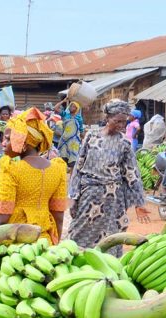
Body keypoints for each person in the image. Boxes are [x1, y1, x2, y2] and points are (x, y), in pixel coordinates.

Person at [67, 100, 150, 256]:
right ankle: (77, 263)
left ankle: (107, 267)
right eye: (117, 121)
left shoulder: (124, 142)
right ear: (107, 118)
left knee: (111, 235)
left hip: (113, 198)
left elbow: (132, 173)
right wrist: (73, 197)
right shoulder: (91, 136)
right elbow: (79, 166)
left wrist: (139, 203)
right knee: (79, 231)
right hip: (89, 193)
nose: (121, 125)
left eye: (124, 121)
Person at [0, 108, 68, 243]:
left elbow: (1, 217)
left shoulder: (11, 169)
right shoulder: (58, 169)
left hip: (16, 243)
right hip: (44, 241)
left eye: (8, 138)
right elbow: (58, 215)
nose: (3, 143)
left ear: (23, 141)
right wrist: (56, 244)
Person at [55, 100, 84, 165]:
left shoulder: (79, 118)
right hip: (64, 140)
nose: (71, 107)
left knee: (73, 161)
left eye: (73, 107)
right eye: (70, 106)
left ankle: (71, 174)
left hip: (73, 141)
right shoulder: (65, 114)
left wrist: (83, 139)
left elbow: (81, 130)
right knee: (63, 158)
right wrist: (63, 101)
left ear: (77, 109)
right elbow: (55, 108)